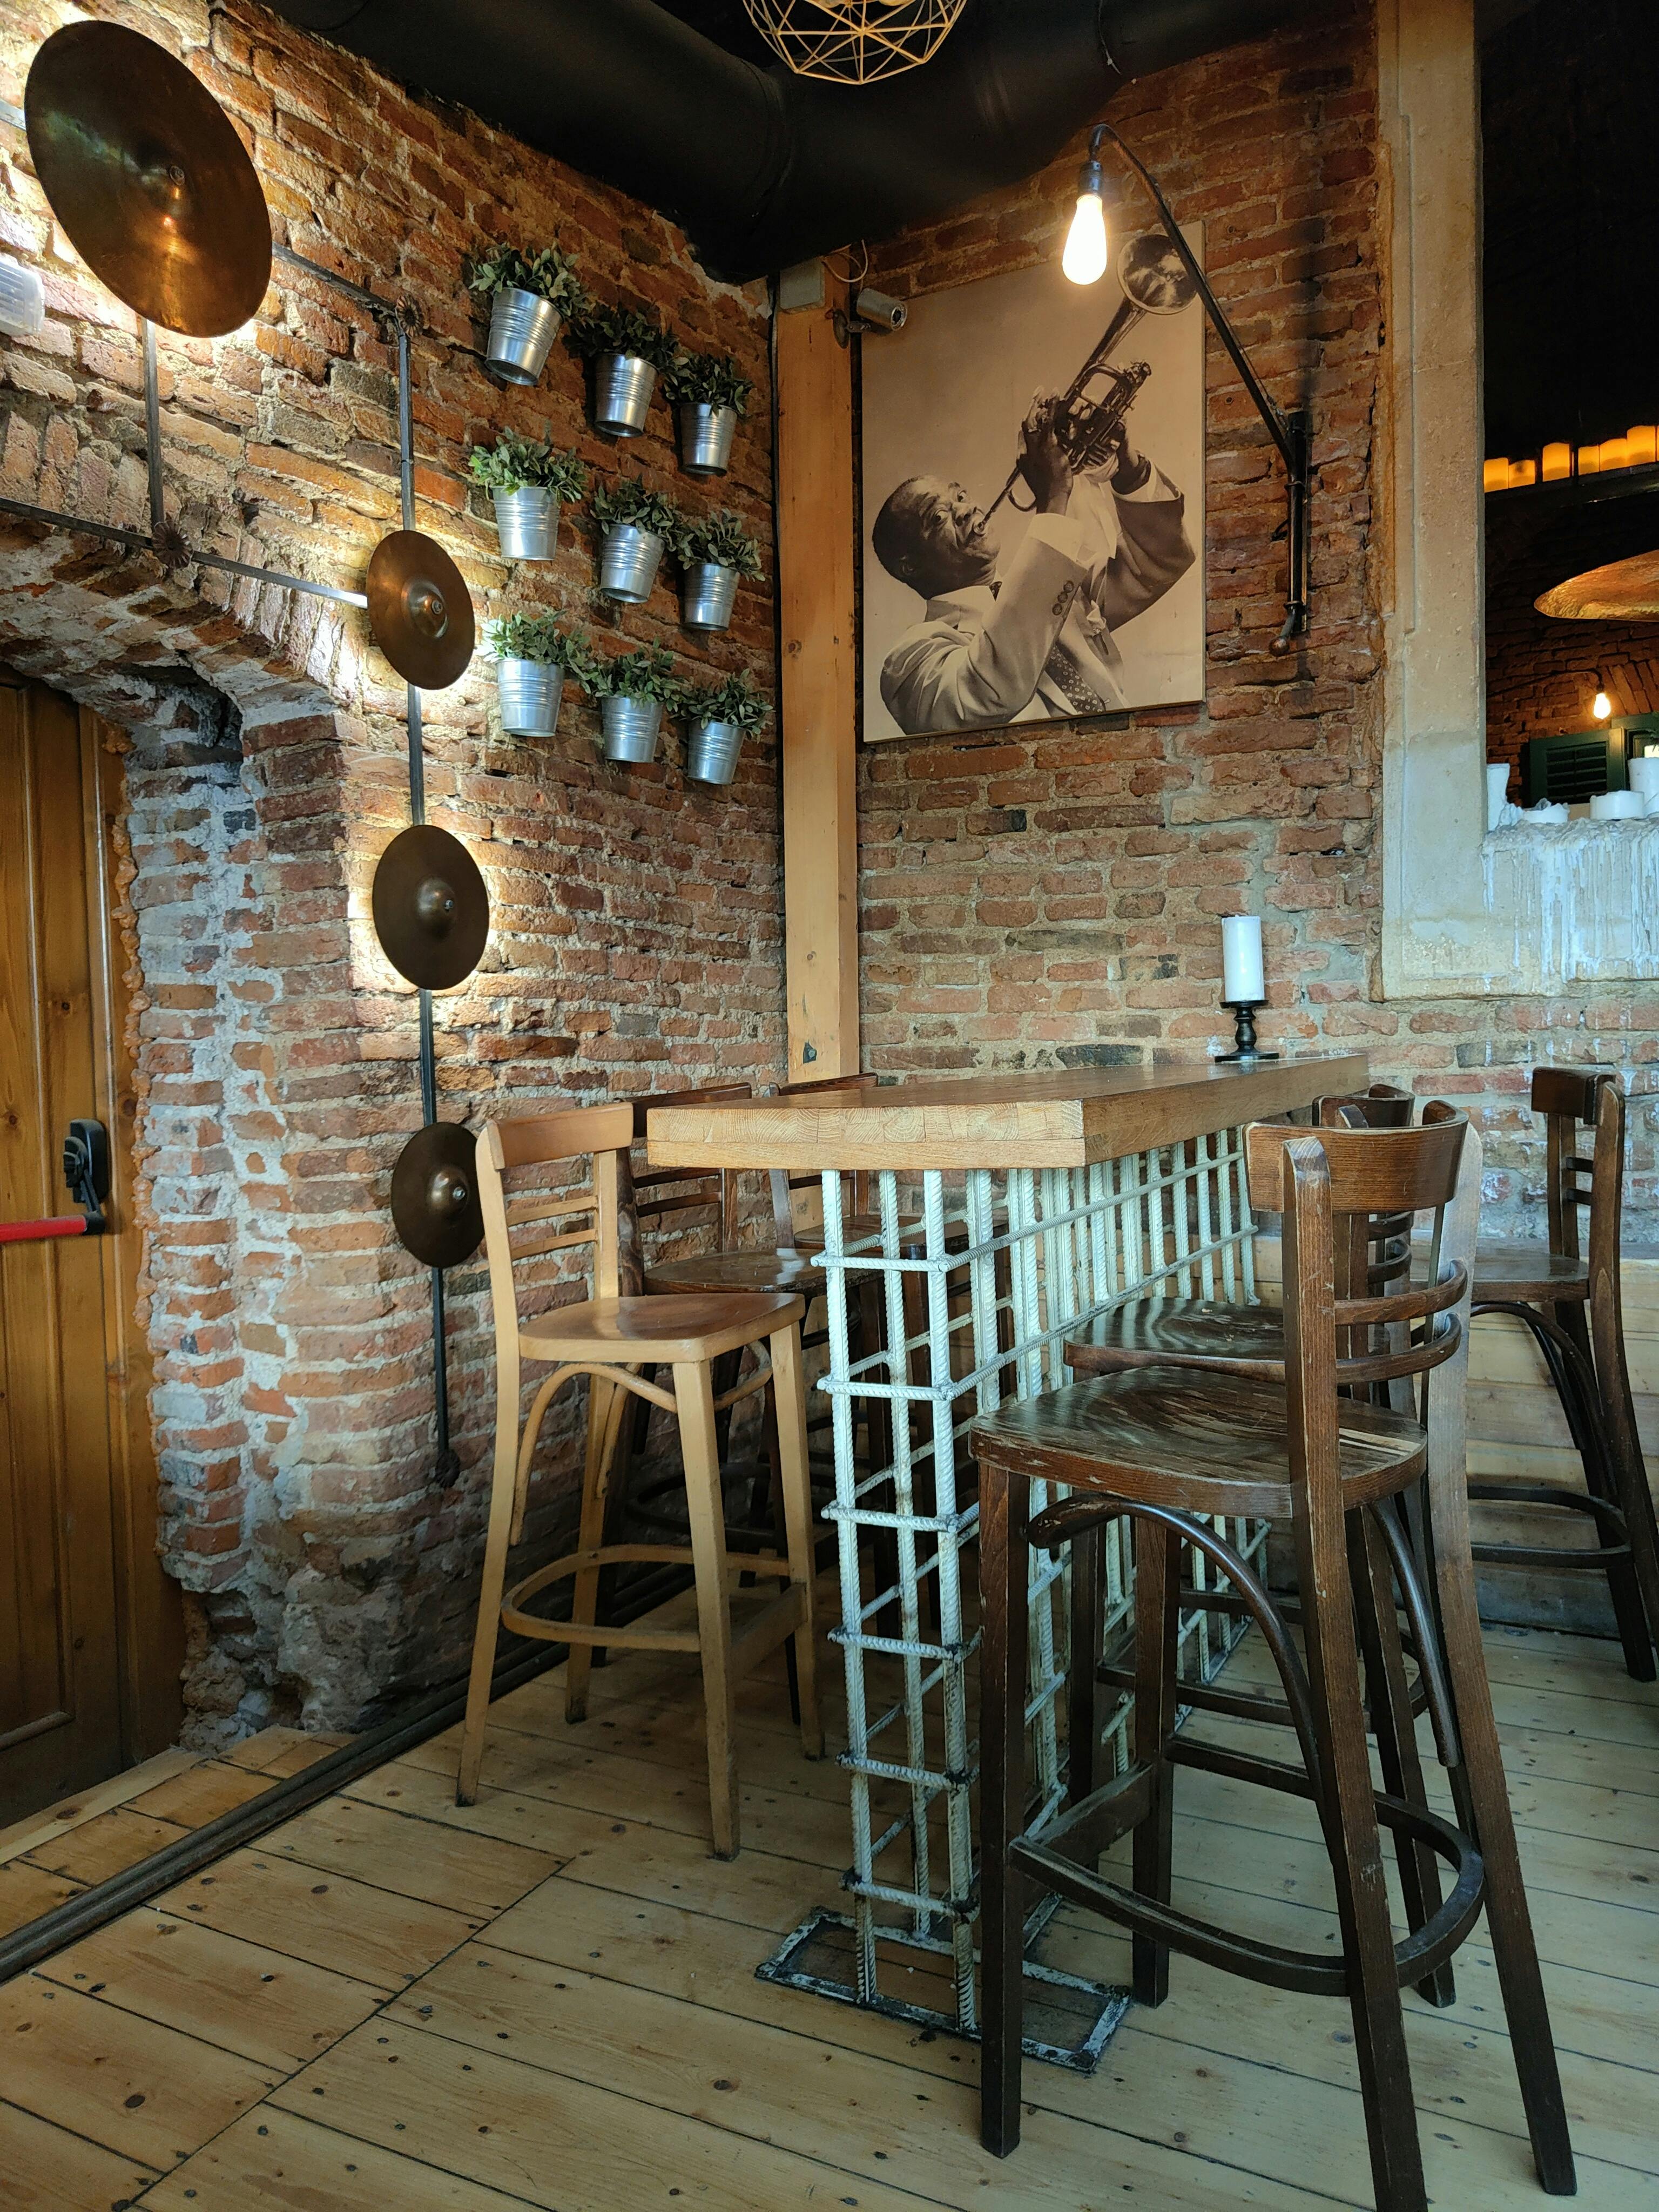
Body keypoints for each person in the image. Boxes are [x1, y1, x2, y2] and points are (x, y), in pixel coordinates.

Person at [870, 391, 1194, 735]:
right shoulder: (909, 663)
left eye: (961, 496)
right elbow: (992, 689)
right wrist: (1054, 498)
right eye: (938, 518)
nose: (965, 510)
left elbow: (1160, 563)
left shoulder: (1057, 589)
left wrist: (1125, 467)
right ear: (909, 566)